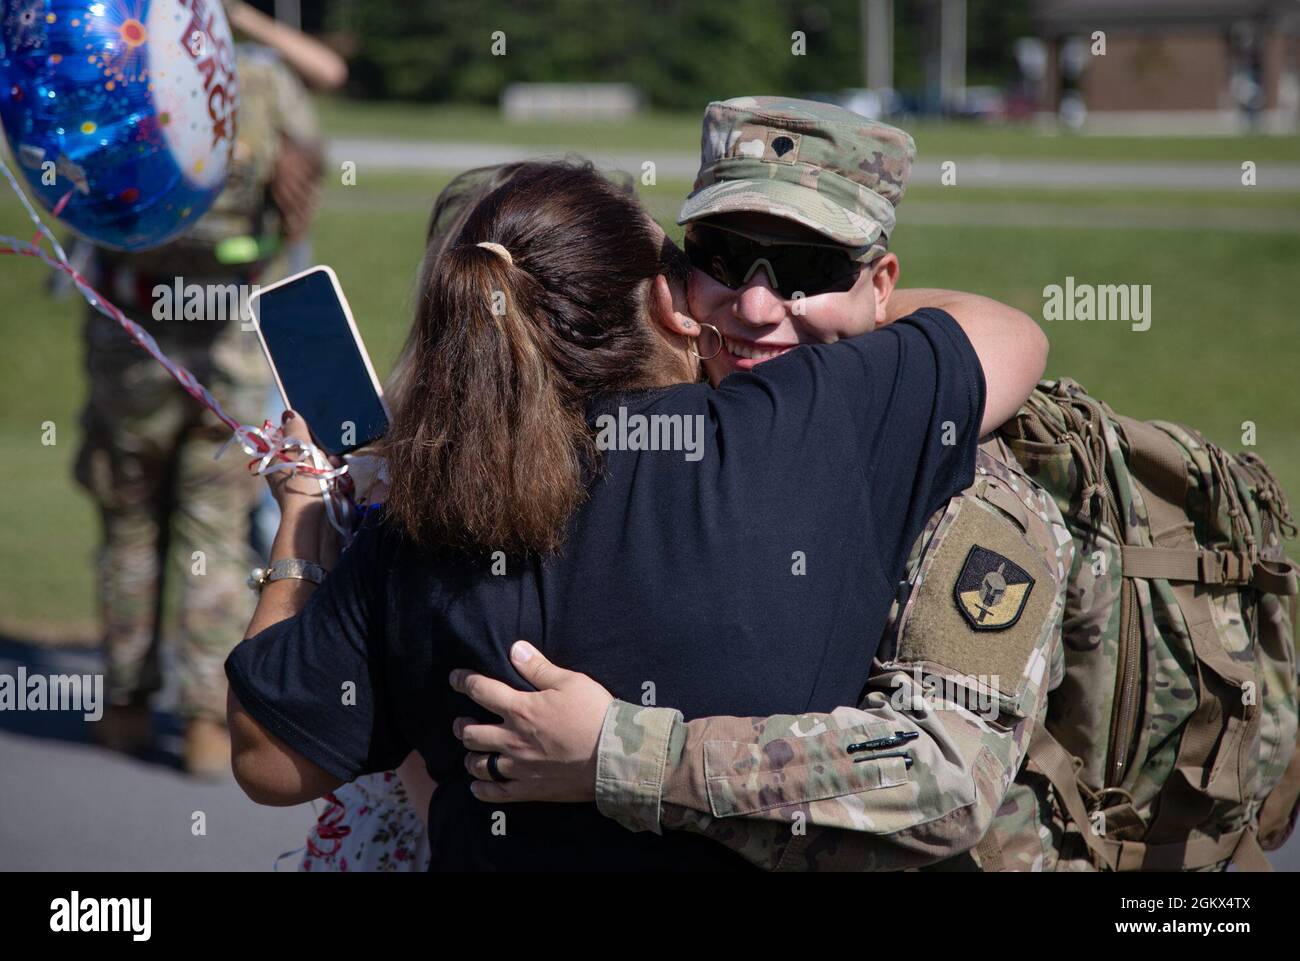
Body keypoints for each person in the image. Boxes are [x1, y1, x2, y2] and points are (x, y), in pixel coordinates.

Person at [223, 156, 1047, 871]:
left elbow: (266, 761)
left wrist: (305, 519)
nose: (754, 303)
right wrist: (828, 297)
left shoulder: (421, 524)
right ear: (668, 299)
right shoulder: (805, 426)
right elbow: (1006, 335)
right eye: (717, 263)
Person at [449, 97, 1076, 871]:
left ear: (881, 283)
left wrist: (625, 754)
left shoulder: (966, 478)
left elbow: (942, 778)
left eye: (807, 271)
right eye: (721, 256)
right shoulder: (646, 427)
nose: (754, 306)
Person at [78, 7, 344, 776]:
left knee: (129, 520)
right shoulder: (255, 77)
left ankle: (126, 706)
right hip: (230, 334)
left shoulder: (114, 79)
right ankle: (204, 723)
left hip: (130, 331)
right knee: (218, 530)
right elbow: (315, 118)